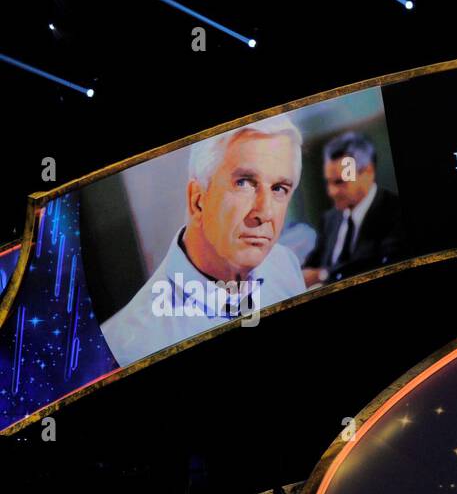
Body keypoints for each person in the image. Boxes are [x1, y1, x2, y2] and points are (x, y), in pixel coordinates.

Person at [100, 115, 307, 367]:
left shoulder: (284, 263)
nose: (264, 212)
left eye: (279, 189)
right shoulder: (128, 348)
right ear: (197, 200)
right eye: (243, 183)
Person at [301, 131, 404, 286]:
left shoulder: (395, 213)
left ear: (368, 172)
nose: (331, 192)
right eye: (329, 182)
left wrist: (323, 274)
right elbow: (310, 266)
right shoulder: (330, 219)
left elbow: (381, 264)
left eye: (340, 182)